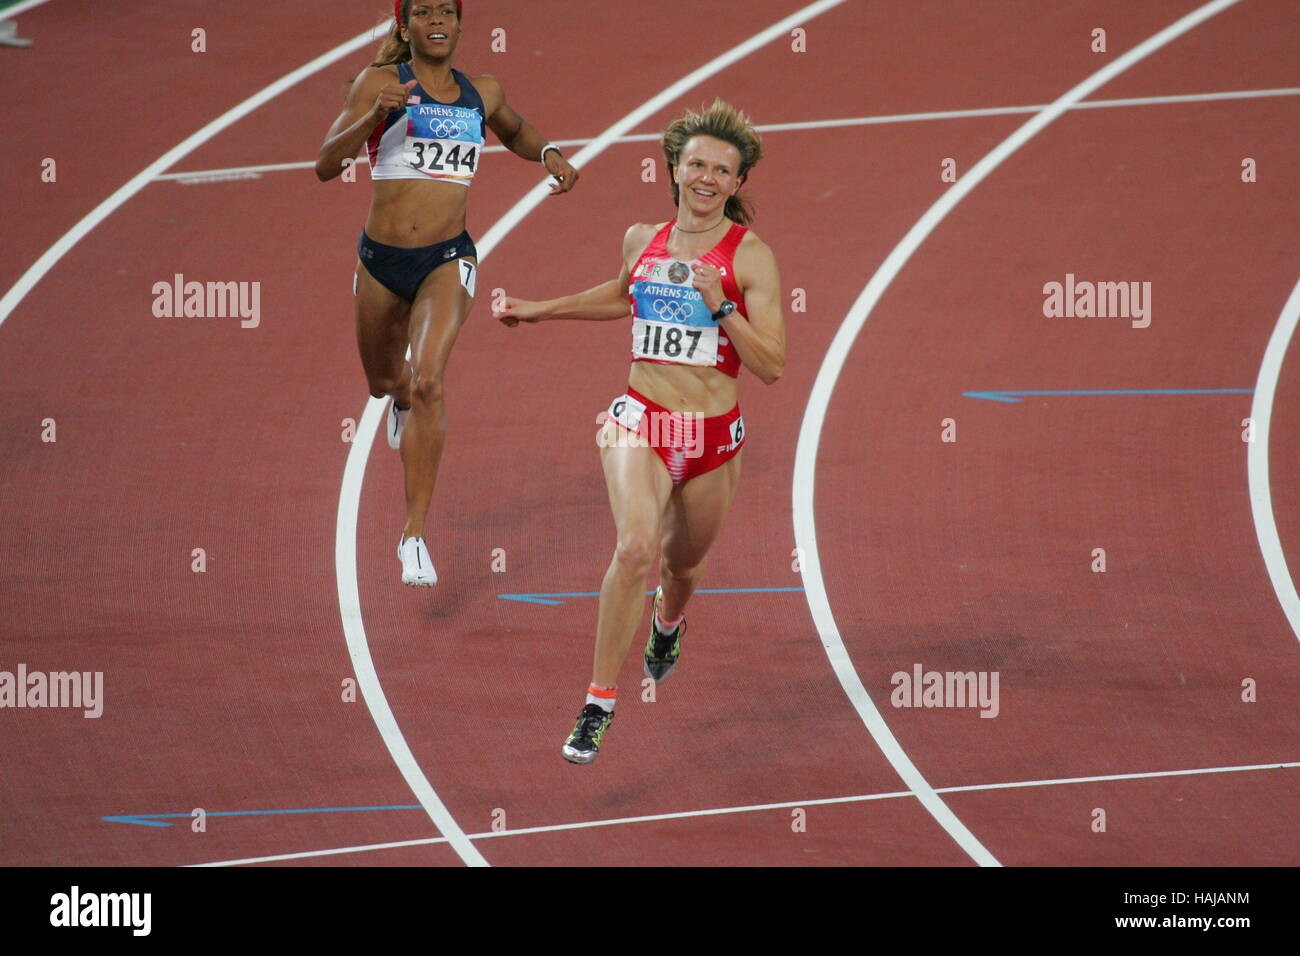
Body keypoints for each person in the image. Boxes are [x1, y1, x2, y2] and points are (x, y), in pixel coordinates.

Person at [495, 99, 785, 764]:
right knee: (633, 549)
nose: (707, 178)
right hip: (640, 422)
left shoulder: (751, 258)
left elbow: (772, 365)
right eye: (697, 165)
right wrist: (540, 310)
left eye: (722, 170)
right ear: (674, 169)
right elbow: (620, 293)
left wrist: (722, 305)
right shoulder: (641, 239)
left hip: (712, 439)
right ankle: (598, 702)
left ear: (738, 183)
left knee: (681, 567)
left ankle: (668, 622)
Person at [316, 0, 579, 586]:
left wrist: (549, 154)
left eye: (446, 12)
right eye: (423, 12)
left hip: (447, 258)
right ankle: (400, 397)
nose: (436, 21)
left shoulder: (481, 91)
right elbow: (326, 165)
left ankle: (413, 535)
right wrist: (372, 117)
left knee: (431, 379)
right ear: (404, 25)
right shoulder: (378, 83)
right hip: (380, 263)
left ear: (459, 24)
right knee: (385, 381)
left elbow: (514, 129)